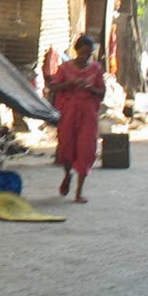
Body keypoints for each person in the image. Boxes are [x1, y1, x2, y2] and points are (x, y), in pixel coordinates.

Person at [49, 34, 106, 203]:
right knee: (67, 147)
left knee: (86, 149)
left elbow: (102, 93)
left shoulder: (96, 69)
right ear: (76, 51)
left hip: (88, 113)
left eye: (88, 53)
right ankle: (68, 174)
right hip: (69, 112)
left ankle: (79, 192)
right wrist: (70, 84)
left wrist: (89, 88)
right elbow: (53, 87)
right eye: (82, 53)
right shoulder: (65, 68)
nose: (85, 57)